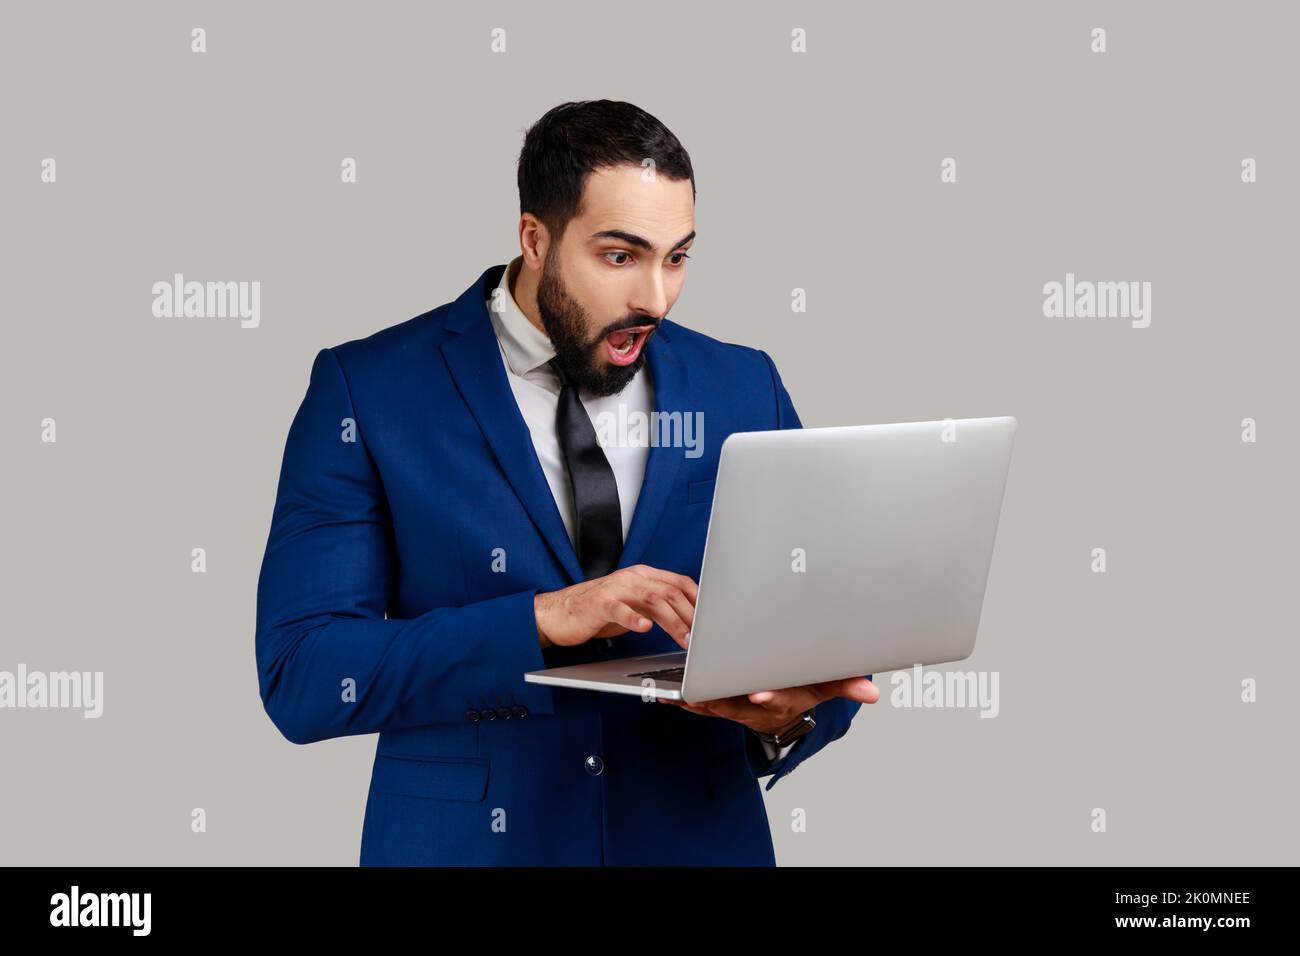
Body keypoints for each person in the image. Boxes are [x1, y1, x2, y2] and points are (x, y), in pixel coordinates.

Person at [255, 99, 879, 866]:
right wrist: (545, 619)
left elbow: (828, 620)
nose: (654, 296)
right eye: (621, 256)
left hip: (698, 841)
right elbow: (307, 673)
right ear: (535, 239)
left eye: (677, 257)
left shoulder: (743, 385)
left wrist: (786, 716)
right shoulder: (368, 390)